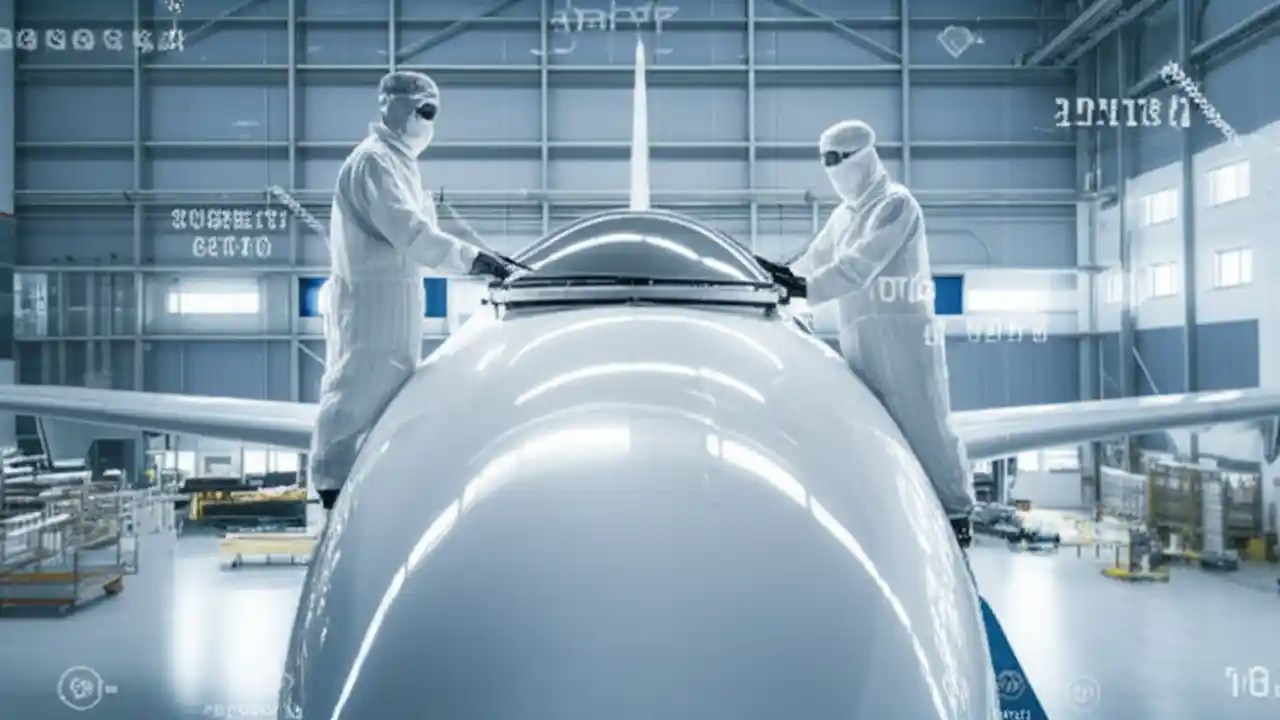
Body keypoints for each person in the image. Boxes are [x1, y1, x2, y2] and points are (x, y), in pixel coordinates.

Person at [309, 70, 513, 511]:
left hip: (397, 300)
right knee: (358, 383)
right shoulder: (373, 162)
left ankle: (364, 480)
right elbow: (413, 232)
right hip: (371, 302)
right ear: (393, 106)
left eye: (433, 114)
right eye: (423, 111)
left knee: (385, 388)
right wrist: (474, 260)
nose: (428, 122)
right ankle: (333, 480)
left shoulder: (400, 164)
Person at [786, 119, 974, 546]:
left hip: (905, 335)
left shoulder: (894, 205)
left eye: (839, 159)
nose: (832, 169)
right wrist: (780, 275)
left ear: (863, 156)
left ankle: (956, 509)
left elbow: (861, 263)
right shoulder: (843, 215)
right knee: (879, 421)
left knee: (924, 422)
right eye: (826, 162)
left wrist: (807, 289)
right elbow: (815, 258)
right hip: (862, 338)